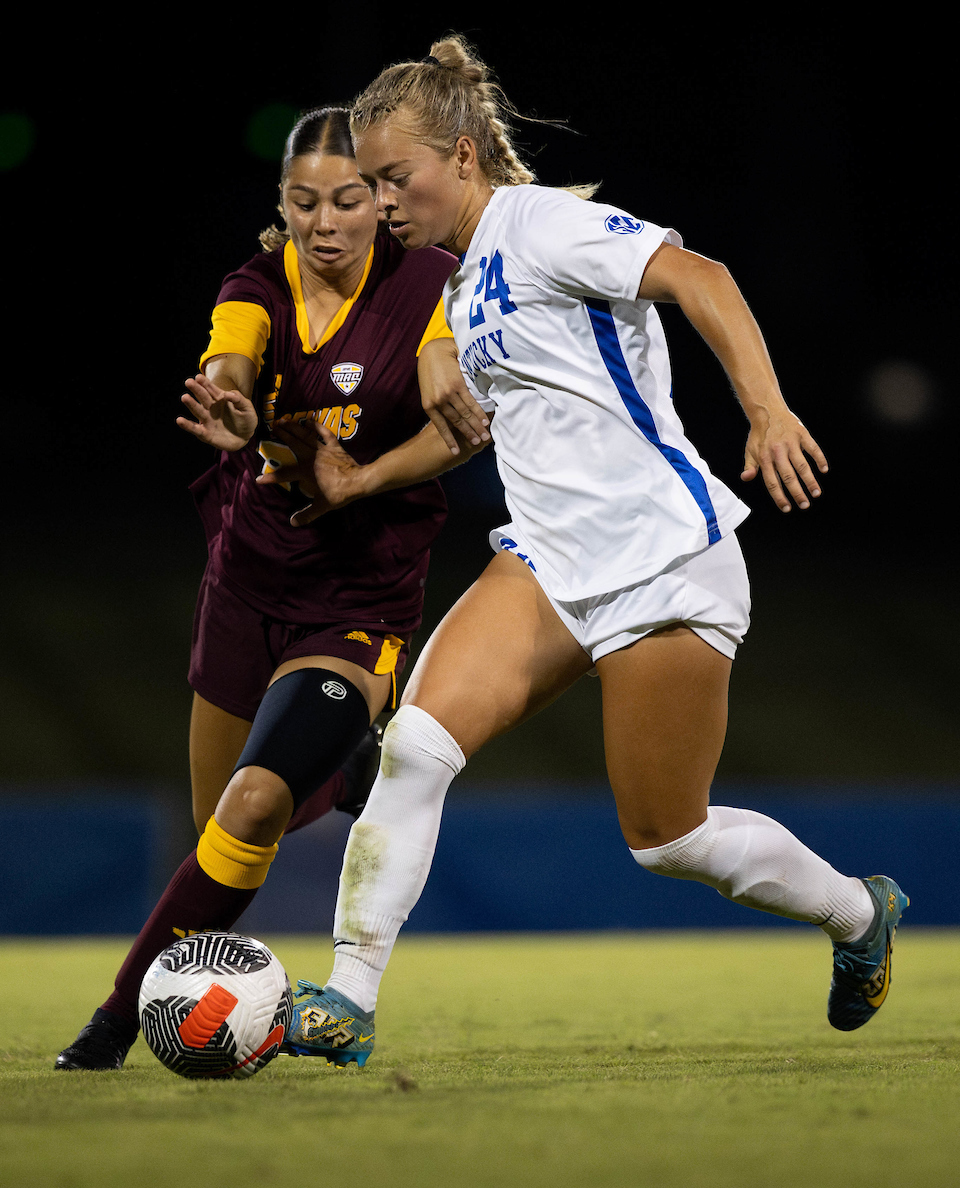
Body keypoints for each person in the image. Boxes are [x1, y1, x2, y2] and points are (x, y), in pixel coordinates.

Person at [275, 38, 909, 1068]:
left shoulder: (541, 224)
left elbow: (701, 274)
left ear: (467, 156)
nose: (384, 200)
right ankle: (346, 1000)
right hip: (546, 563)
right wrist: (360, 477)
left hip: (662, 558)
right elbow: (473, 427)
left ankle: (856, 914)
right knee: (417, 749)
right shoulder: (467, 273)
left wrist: (766, 408)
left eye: (399, 177)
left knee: (669, 839)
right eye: (373, 182)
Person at [54, 105, 486, 1071]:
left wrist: (361, 478)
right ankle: (340, 774)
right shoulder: (255, 285)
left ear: (381, 198)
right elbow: (232, 360)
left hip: (359, 598)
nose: (324, 222)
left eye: (345, 199)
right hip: (247, 585)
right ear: (281, 206)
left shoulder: (430, 284)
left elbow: (460, 428)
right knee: (231, 835)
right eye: (302, 203)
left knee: (254, 803)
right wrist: (236, 401)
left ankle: (116, 1020)